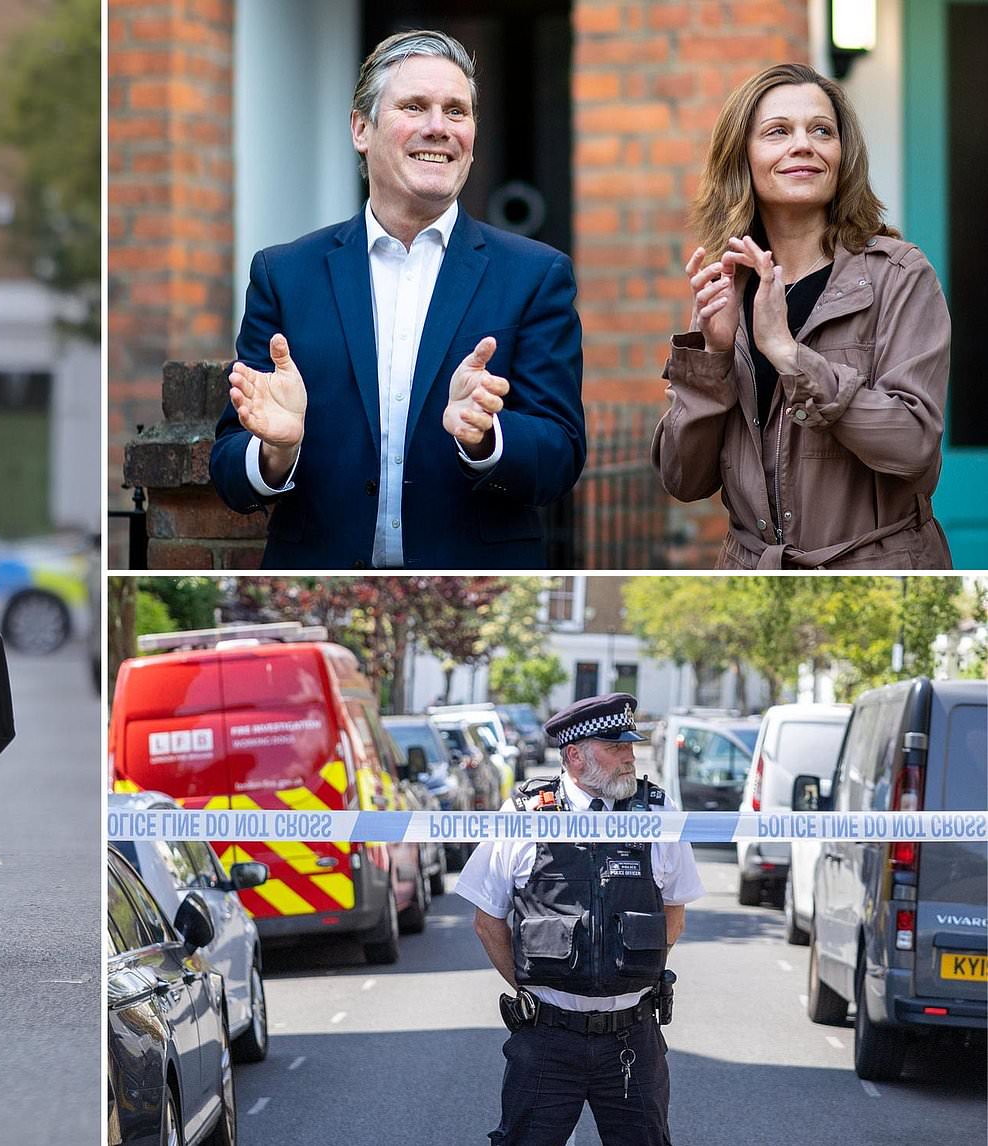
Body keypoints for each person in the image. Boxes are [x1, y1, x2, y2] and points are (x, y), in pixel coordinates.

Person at [211, 29, 585, 569]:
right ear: (362, 129)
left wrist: (487, 439)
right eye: (415, 106)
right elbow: (227, 466)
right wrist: (276, 450)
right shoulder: (285, 274)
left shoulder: (535, 274)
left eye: (456, 111)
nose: (439, 126)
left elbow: (562, 454)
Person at [653, 63, 951, 569]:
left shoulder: (898, 275)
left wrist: (790, 355)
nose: (804, 145)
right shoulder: (730, 284)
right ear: (742, 157)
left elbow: (914, 445)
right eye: (777, 132)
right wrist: (715, 355)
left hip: (876, 574)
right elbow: (685, 480)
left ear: (841, 154)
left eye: (821, 130)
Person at [455, 694, 705, 1146]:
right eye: (615, 747)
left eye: (630, 745)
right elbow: (486, 919)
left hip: (631, 1037)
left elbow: (675, 914)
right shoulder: (526, 816)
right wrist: (530, 991)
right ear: (574, 755)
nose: (629, 756)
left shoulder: (656, 815)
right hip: (548, 1038)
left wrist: (628, 972)